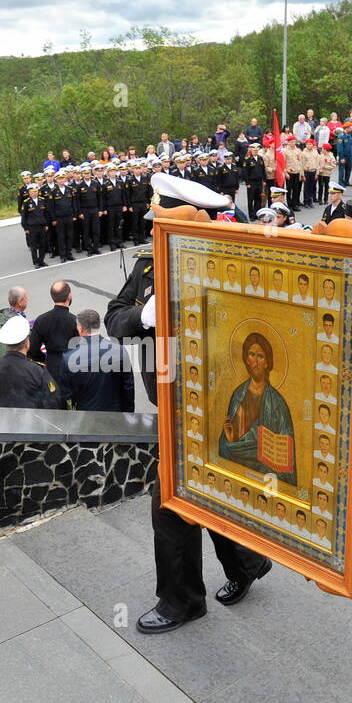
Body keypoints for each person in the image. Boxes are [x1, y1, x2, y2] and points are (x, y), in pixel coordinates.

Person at [105, 245, 271, 633]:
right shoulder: (151, 263)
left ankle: (183, 601)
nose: (156, 233)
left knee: (169, 505)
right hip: (170, 407)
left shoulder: (228, 269)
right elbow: (114, 318)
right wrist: (142, 314)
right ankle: (247, 562)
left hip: (211, 409)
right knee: (201, 493)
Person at [218, 332, 298, 485]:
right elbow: (226, 445)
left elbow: (285, 455)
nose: (254, 362)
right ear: (246, 359)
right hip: (237, 476)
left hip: (266, 480)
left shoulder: (278, 404)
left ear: (267, 362)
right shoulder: (238, 395)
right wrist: (229, 441)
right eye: (251, 355)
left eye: (260, 357)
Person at [58, 309, 134, 412]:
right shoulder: (119, 350)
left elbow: (66, 396)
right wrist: (129, 413)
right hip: (115, 413)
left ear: (80, 328)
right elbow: (128, 386)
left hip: (85, 415)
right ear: (98, 325)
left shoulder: (68, 358)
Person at [0, 314, 60, 409]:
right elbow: (52, 402)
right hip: (29, 422)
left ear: (6, 345)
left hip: (0, 422)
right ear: (27, 344)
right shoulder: (37, 371)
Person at [28, 281, 77, 386]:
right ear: (69, 296)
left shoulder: (41, 320)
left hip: (51, 367)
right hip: (72, 368)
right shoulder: (75, 321)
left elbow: (33, 349)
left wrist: (44, 359)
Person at [0, 286, 30, 357]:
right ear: (20, 302)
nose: (28, 299)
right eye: (26, 297)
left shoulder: (6, 316)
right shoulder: (16, 323)